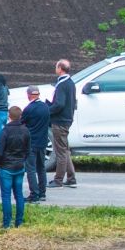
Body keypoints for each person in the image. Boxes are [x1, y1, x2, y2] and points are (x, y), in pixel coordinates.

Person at [0, 105, 30, 228]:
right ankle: (19, 222)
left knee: (6, 196)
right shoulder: (25, 130)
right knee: (19, 195)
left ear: (9, 116)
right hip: (19, 166)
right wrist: (22, 160)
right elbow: (28, 150)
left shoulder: (5, 131)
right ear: (20, 116)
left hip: (6, 166)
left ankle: (7, 223)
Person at [49, 59, 77, 189]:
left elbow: (59, 104)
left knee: (60, 151)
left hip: (59, 121)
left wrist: (48, 110)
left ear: (60, 68)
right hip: (67, 119)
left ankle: (58, 180)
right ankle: (71, 178)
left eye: (56, 67)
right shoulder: (70, 83)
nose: (55, 69)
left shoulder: (62, 84)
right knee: (65, 150)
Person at [22, 86, 50, 203]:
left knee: (31, 169)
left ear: (29, 95)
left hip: (31, 143)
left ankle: (34, 194)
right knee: (41, 168)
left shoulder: (29, 109)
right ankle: (42, 193)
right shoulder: (46, 107)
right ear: (38, 94)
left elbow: (22, 123)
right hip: (42, 142)